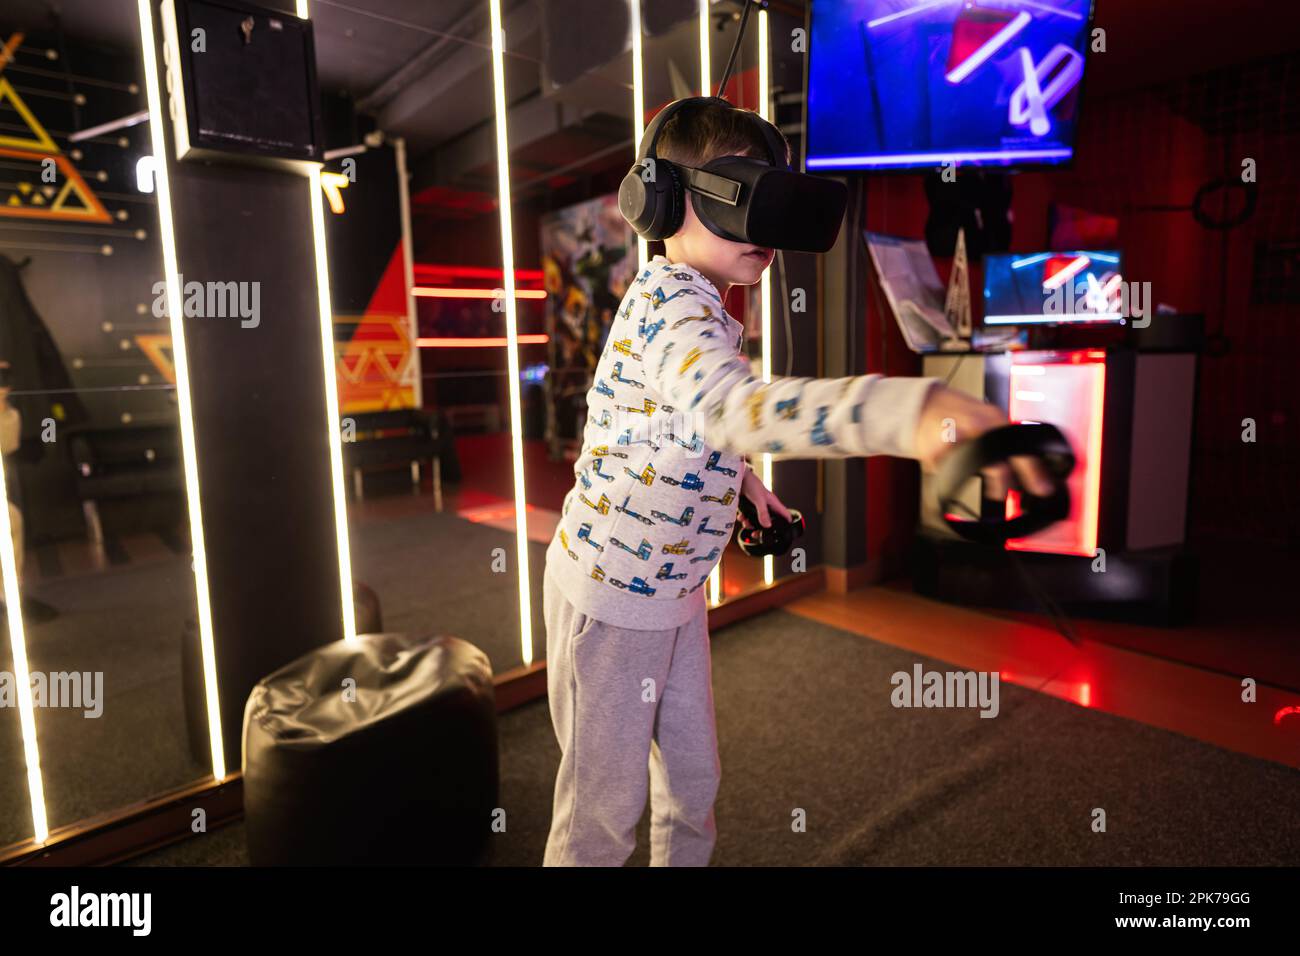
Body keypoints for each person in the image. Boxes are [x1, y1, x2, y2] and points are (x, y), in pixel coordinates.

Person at [541, 98, 1051, 866]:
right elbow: (729, 406)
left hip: (673, 593)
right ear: (665, 199)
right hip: (610, 600)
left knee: (693, 782)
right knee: (600, 817)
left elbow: (681, 423)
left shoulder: (704, 305)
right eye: (744, 199)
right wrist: (910, 414)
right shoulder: (671, 303)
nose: (767, 235)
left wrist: (746, 487)